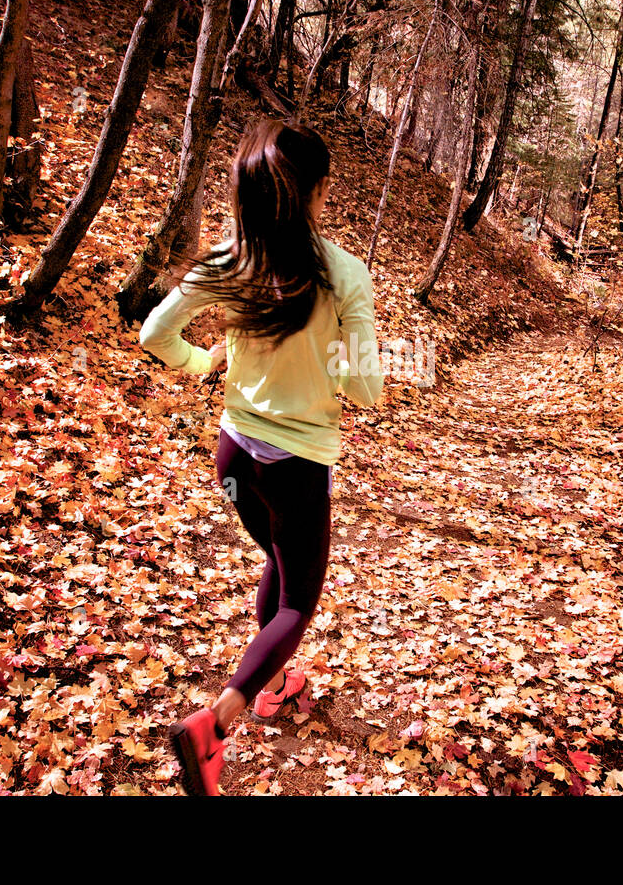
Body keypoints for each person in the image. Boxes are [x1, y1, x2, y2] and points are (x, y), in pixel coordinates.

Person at [139, 118, 383, 795]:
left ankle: (276, 682)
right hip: (297, 467)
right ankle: (215, 723)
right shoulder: (345, 275)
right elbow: (367, 389)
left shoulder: (228, 259)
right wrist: (332, 359)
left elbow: (155, 334)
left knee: (276, 561)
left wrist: (201, 361)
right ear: (315, 191)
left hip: (232, 459)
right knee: (297, 602)